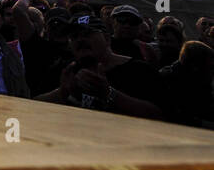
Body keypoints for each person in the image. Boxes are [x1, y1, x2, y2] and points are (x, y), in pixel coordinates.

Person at [36, 19, 166, 119]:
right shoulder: (65, 71)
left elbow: (159, 114)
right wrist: (62, 93)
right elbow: (31, 106)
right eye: (74, 36)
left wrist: (110, 95)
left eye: (87, 34)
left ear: (107, 39)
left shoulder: (138, 70)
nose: (80, 39)